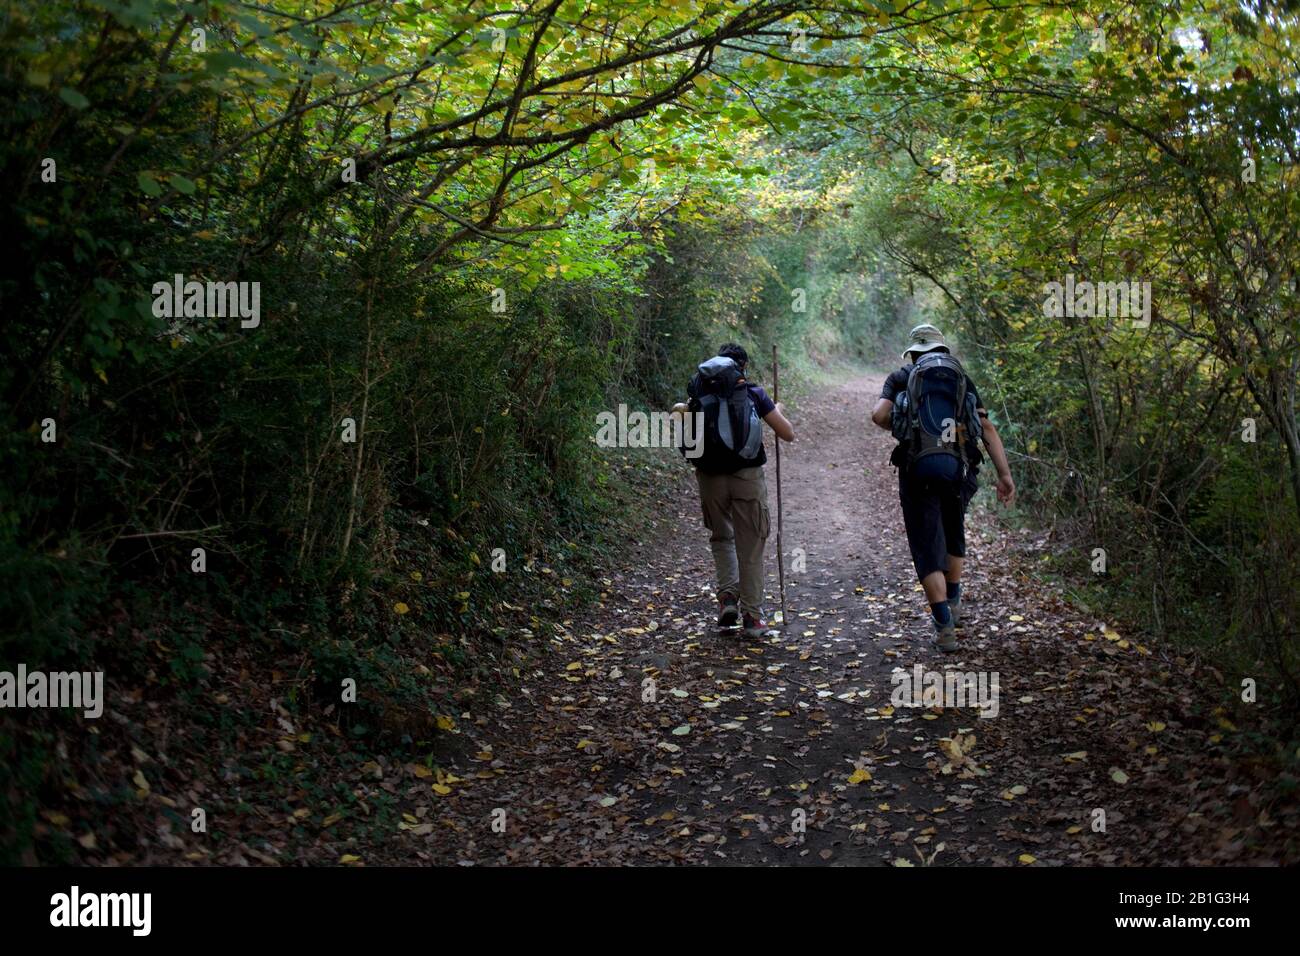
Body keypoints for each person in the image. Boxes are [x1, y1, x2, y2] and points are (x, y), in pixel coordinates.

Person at [870, 324, 1015, 652]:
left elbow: (878, 416)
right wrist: (1004, 475)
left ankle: (944, 626)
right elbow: (986, 428)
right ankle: (955, 600)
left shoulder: (901, 377)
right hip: (957, 468)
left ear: (914, 352)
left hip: (917, 470)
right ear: (941, 349)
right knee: (952, 531)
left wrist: (905, 424)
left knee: (926, 544)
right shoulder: (960, 377)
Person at [682, 343, 794, 638]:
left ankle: (728, 599)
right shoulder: (753, 393)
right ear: (742, 367)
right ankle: (752, 618)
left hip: (709, 477)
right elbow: (787, 433)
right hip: (747, 477)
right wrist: (776, 409)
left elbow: (682, 421)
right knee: (752, 543)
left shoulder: (699, 391)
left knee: (722, 537)